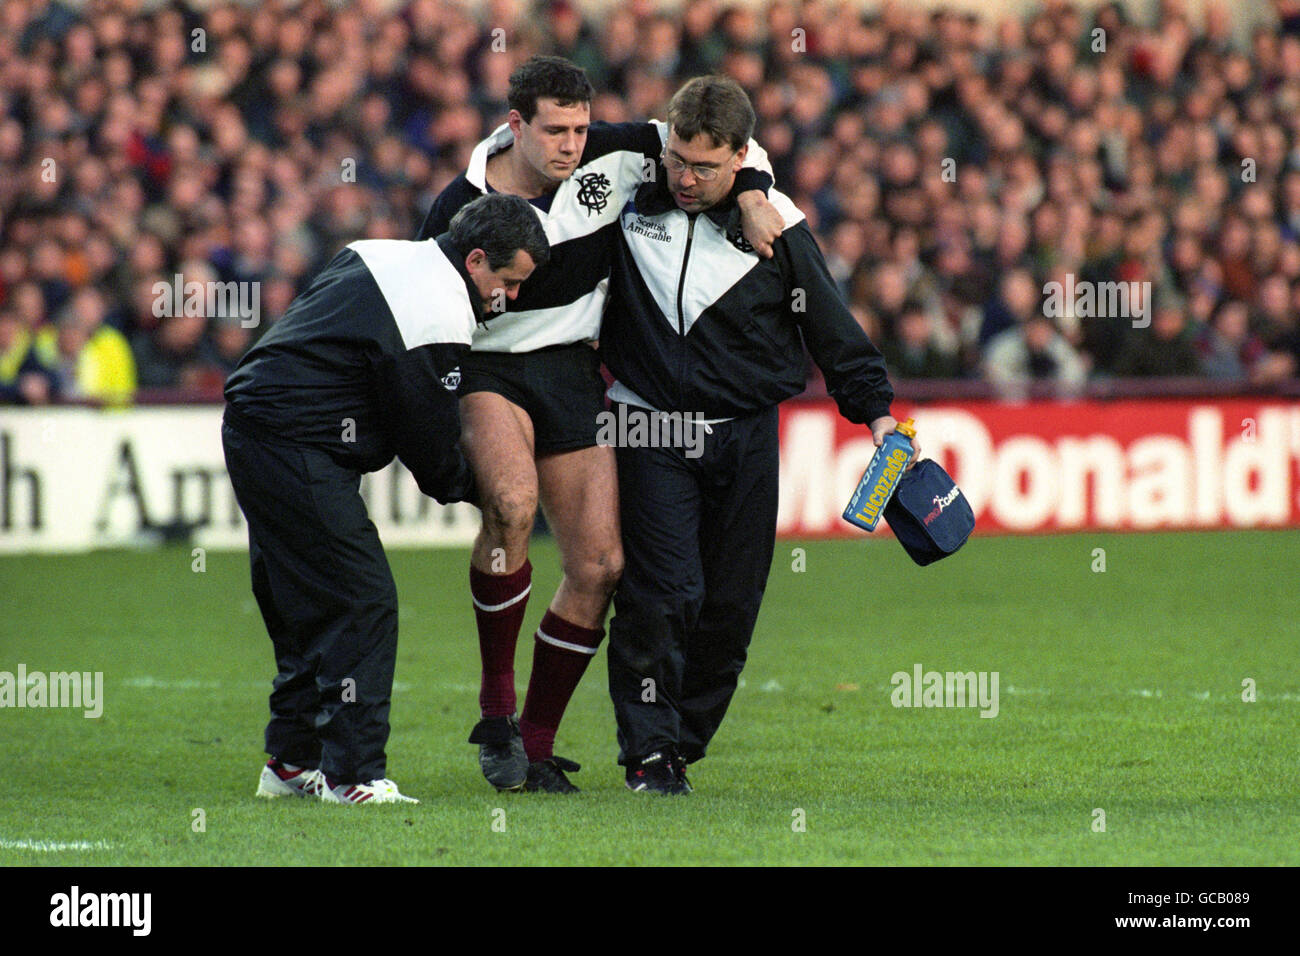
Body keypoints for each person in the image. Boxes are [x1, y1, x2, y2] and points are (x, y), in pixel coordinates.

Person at [415, 55, 785, 793]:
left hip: (573, 374)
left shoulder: (619, 153)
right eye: (555, 130)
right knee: (513, 505)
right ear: (515, 126)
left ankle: (535, 744)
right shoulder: (459, 206)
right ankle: (496, 710)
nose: (572, 145)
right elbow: (431, 318)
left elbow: (724, 140)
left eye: (581, 128)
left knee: (602, 567)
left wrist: (751, 193)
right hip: (492, 370)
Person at [599, 76, 918, 794]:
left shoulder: (778, 227)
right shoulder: (631, 194)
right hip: (649, 426)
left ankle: (680, 743)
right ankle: (648, 752)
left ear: (740, 157)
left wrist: (877, 418)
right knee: (662, 594)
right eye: (677, 159)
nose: (684, 177)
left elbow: (831, 328)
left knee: (730, 607)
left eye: (705, 167)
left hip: (745, 435)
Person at [223, 194, 548, 805]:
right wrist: (483, 492)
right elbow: (426, 440)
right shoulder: (439, 310)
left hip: (257, 426)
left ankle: (293, 763)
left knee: (305, 605)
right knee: (362, 601)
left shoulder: (380, 254)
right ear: (475, 260)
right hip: (295, 442)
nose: (510, 297)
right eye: (507, 282)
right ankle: (354, 776)